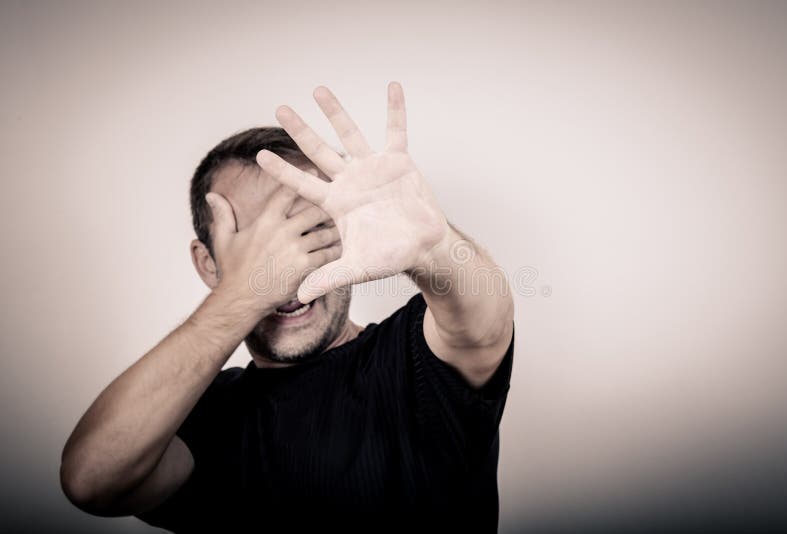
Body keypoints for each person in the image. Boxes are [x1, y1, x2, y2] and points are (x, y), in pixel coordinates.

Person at [60, 82, 515, 533]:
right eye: (256, 247)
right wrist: (245, 292)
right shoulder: (193, 417)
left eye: (308, 231)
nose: (288, 270)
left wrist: (433, 247)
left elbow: (484, 325)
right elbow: (92, 479)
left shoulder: (414, 358)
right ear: (208, 264)